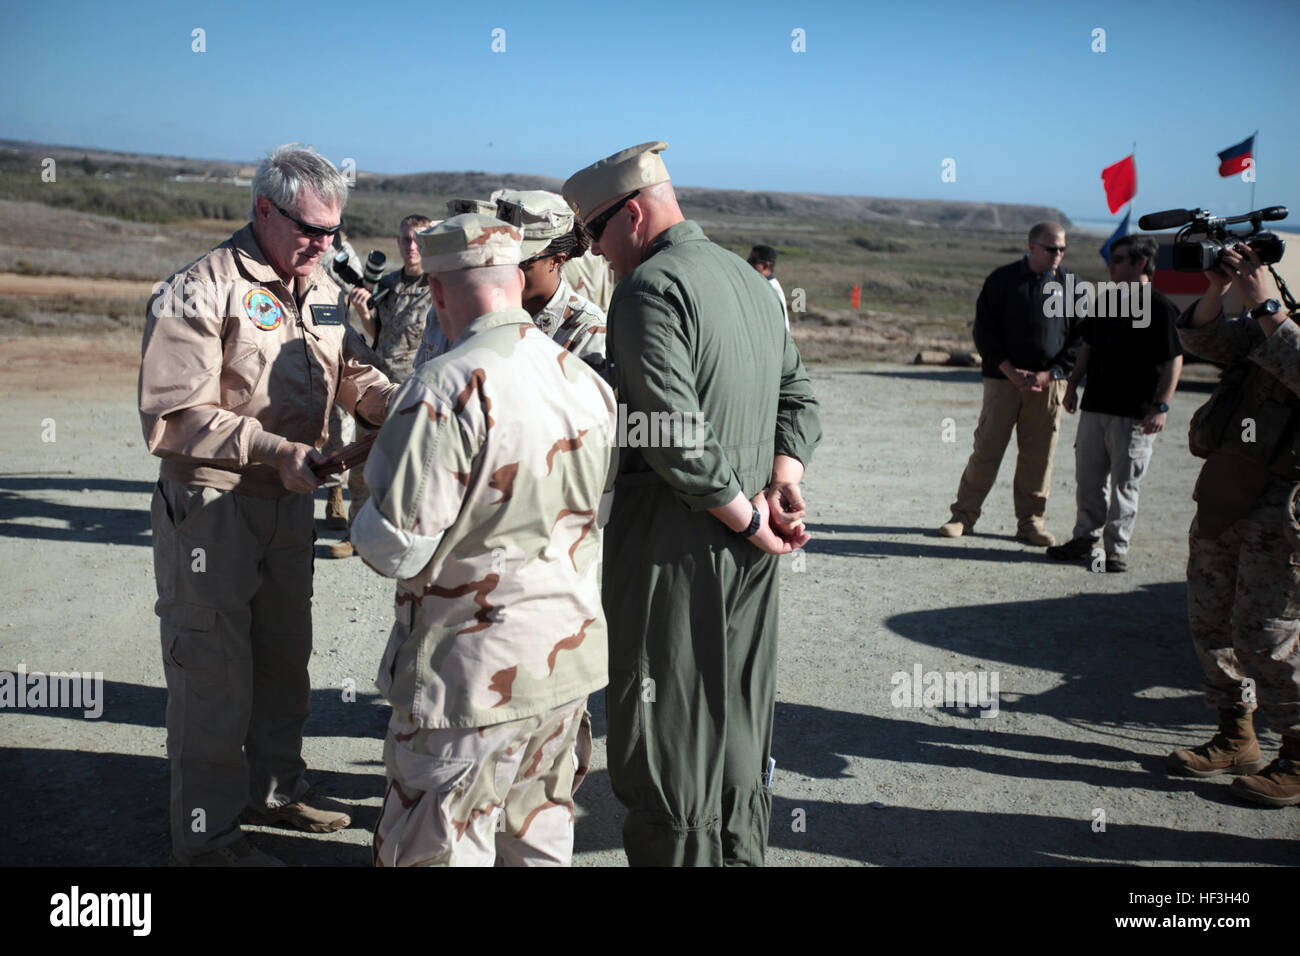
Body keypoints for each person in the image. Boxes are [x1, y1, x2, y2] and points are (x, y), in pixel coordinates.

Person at [562, 141, 822, 866]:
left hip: (675, 546)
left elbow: (673, 435)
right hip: (750, 541)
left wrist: (745, 513)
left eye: (596, 233)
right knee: (739, 721)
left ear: (633, 214)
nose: (596, 252)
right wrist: (779, 484)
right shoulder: (745, 279)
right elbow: (799, 397)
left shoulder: (648, 289)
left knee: (666, 737)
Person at [139, 143, 398, 865]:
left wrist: (403, 404)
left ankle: (276, 789)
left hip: (291, 503)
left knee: (284, 660)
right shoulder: (197, 289)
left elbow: (350, 370)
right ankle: (209, 842)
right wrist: (272, 450)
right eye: (311, 229)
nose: (324, 245)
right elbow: (172, 415)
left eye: (334, 231)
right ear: (263, 210)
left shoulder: (313, 284)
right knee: (213, 677)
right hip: (214, 507)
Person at [352, 214, 618, 865]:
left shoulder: (442, 388)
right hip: (563, 670)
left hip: (468, 681)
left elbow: (395, 548)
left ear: (439, 291)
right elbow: (598, 511)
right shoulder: (588, 382)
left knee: (439, 849)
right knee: (536, 842)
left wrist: (366, 489)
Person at [1165, 241, 1300, 806]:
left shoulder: (1280, 319)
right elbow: (1204, 340)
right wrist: (1218, 290)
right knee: (1212, 619)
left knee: (1267, 635)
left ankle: (1296, 754)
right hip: (1229, 491)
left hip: (1285, 509)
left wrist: (1269, 307)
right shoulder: (1277, 319)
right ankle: (1235, 733)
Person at [938, 222, 1082, 546]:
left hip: (1048, 385)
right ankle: (963, 515)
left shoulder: (1072, 285)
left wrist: (1052, 373)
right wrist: (1009, 371)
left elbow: (1079, 338)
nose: (1057, 255)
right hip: (1003, 381)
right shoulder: (1003, 280)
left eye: (1062, 249)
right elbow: (984, 332)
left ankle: (1030, 522)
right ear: (1031, 247)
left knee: (1039, 455)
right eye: (1051, 249)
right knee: (987, 448)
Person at [1047, 235, 1183, 572]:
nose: (1111, 265)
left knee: (1124, 484)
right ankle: (1084, 539)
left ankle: (1115, 550)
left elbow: (1173, 360)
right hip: (1096, 407)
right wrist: (1073, 385)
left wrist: (1161, 406)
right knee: (1089, 480)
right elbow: (1088, 349)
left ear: (1140, 264)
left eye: (1119, 259)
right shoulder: (1106, 302)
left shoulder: (1161, 308)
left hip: (1134, 414)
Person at [327, 213, 434, 559]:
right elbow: (378, 337)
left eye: (418, 239)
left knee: (416, 467)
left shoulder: (439, 286)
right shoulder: (389, 284)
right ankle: (357, 533)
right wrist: (363, 312)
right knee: (362, 463)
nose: (411, 246)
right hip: (379, 386)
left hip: (420, 389)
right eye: (405, 239)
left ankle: (411, 538)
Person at [494, 189, 609, 376]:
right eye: (500, 258)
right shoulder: (488, 311)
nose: (507, 270)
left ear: (557, 260)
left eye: (522, 262)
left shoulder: (587, 329)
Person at [748, 244, 789, 329]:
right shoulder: (765, 285)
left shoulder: (771, 289)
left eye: (753, 261)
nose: (748, 264)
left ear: (766, 266)